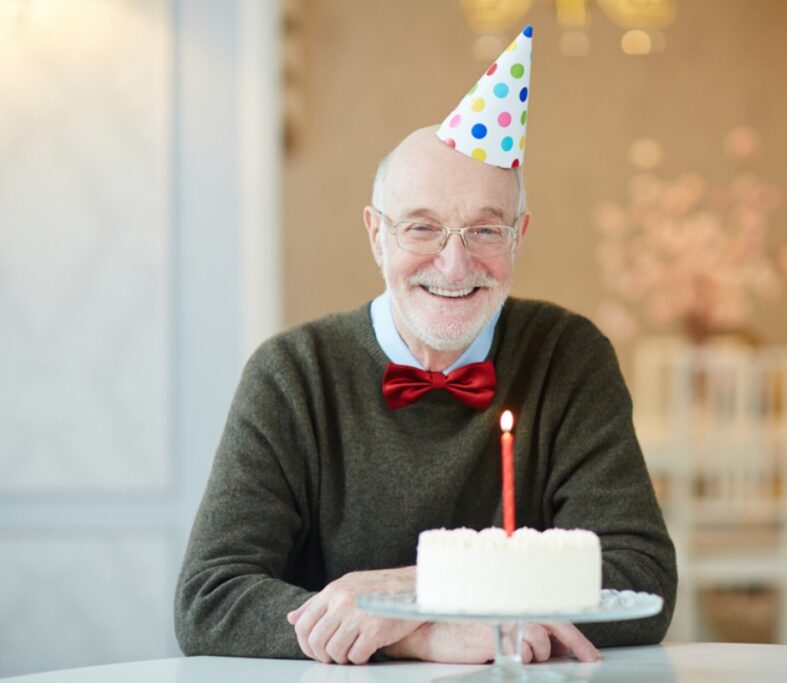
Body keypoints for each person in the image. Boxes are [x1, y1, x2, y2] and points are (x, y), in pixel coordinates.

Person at [174, 26, 675, 666]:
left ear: (519, 236)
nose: (454, 263)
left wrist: (409, 591)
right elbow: (210, 600)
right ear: (376, 236)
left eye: (484, 230)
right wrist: (423, 635)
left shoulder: (568, 355)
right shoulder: (292, 373)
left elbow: (642, 578)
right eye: (422, 228)